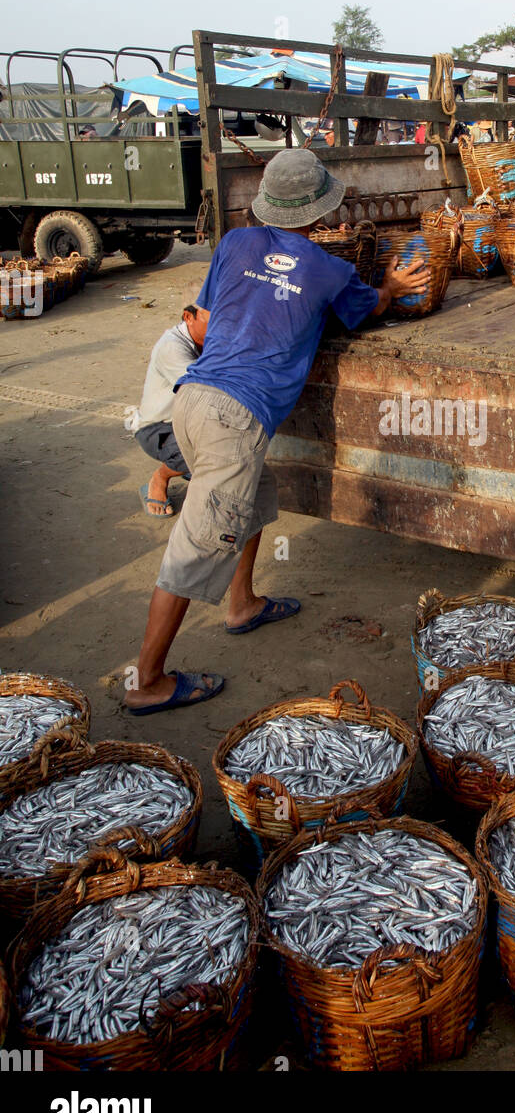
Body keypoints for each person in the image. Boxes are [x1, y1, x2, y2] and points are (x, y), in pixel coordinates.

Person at [124, 148, 430, 716]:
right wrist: (387, 285)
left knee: (255, 498)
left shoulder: (235, 243)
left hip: (191, 401)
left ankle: (241, 603)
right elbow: (372, 308)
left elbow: (211, 319)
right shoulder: (331, 270)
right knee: (193, 552)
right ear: (321, 213)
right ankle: (146, 681)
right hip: (235, 420)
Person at [129, 304, 209, 517]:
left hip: (187, 420)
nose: (221, 326)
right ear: (188, 317)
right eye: (211, 319)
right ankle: (160, 477)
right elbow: (203, 391)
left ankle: (196, 468)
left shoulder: (208, 339)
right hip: (157, 428)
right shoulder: (172, 347)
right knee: (210, 446)